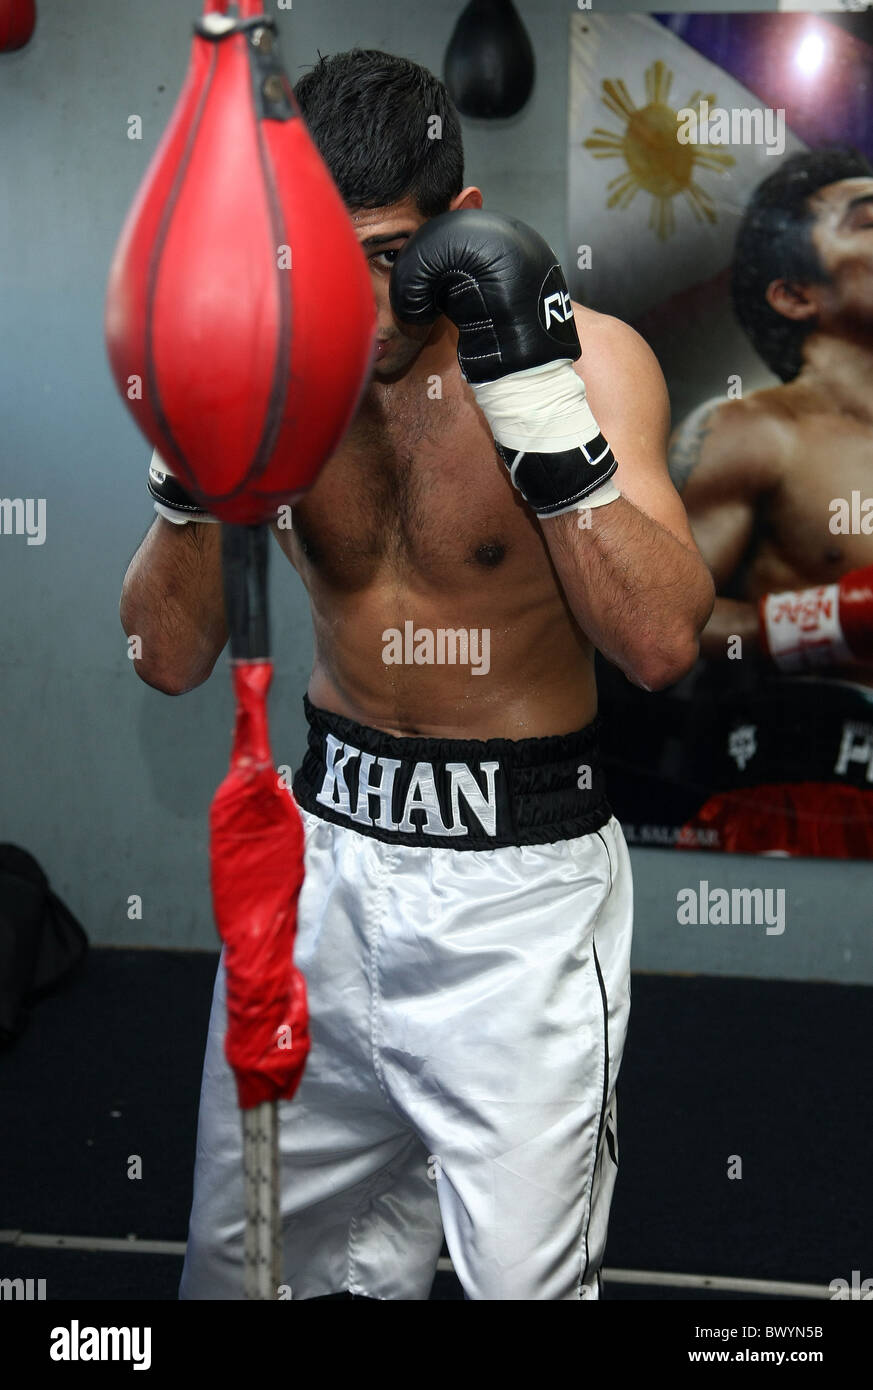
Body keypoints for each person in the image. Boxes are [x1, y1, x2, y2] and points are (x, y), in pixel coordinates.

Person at [121, 48, 712, 1300]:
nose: (367, 305)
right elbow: (166, 658)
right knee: (245, 1269)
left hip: (519, 898)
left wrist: (539, 410)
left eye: (393, 258)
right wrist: (186, 472)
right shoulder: (276, 372)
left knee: (523, 1289)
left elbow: (661, 645)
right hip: (319, 871)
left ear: (461, 225)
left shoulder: (589, 363)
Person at [669, 148, 873, 857]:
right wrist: (826, 622)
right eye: (868, 222)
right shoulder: (749, 432)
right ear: (795, 295)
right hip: (789, 794)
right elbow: (659, 629)